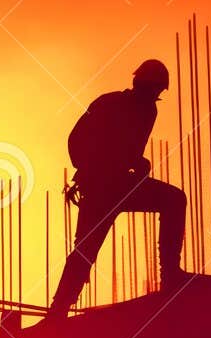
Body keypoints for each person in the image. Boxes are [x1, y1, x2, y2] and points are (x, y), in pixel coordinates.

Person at [46, 59, 193, 320]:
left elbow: (127, 150)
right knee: (86, 248)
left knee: (173, 199)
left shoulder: (149, 111)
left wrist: (137, 162)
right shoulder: (108, 104)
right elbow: (76, 140)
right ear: (140, 85)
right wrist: (92, 171)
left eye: (158, 93)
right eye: (154, 90)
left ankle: (170, 274)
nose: (155, 96)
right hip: (101, 188)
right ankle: (59, 308)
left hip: (122, 185)